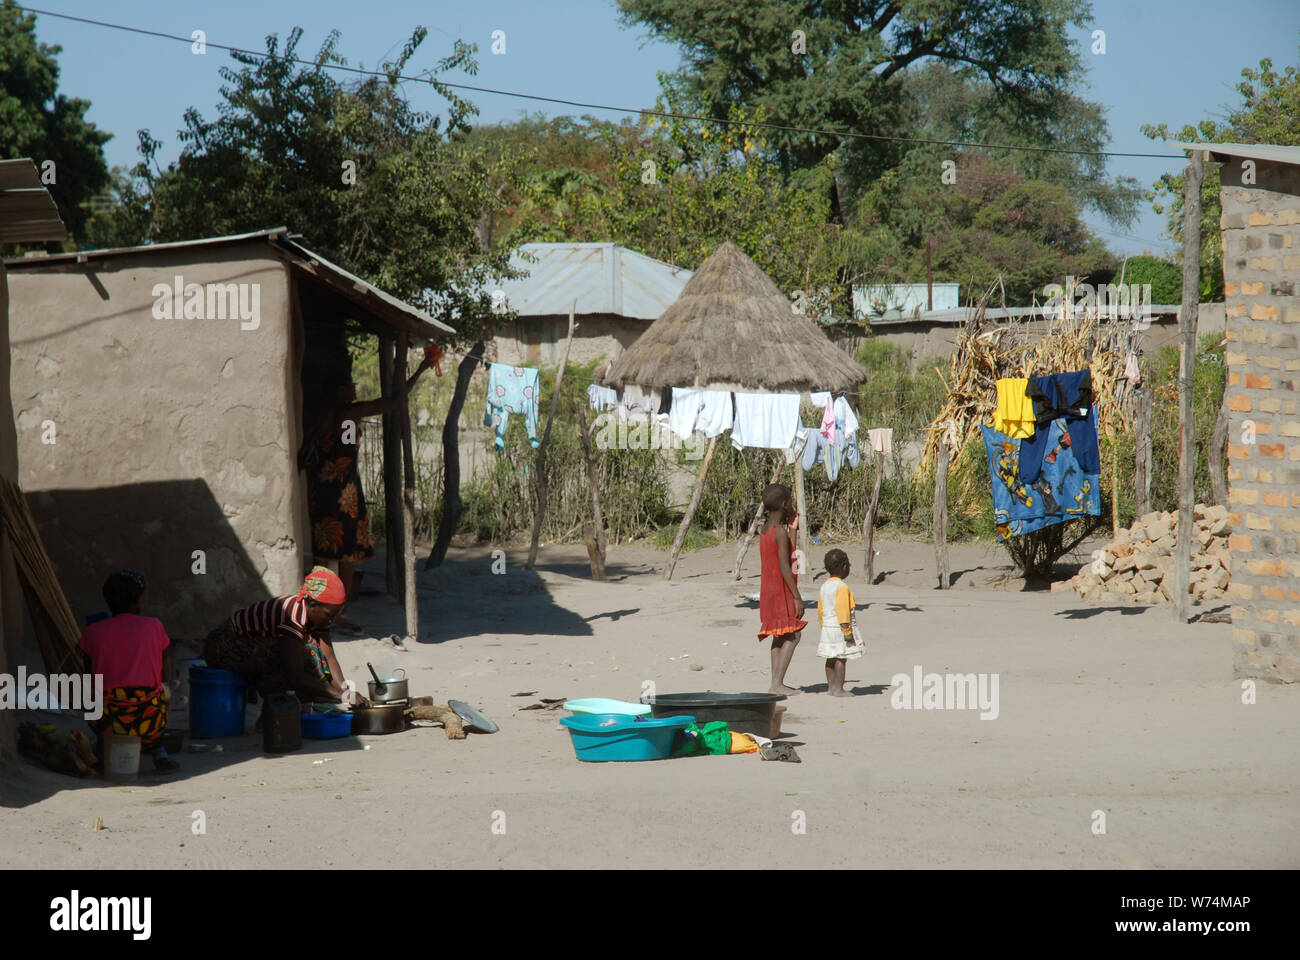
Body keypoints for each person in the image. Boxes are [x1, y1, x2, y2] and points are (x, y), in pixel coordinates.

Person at [301, 355, 435, 604]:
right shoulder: (352, 412)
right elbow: (394, 403)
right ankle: (340, 609)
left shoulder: (318, 415)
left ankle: (318, 604)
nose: (355, 388)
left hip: (320, 489)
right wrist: (420, 369)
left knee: (323, 550)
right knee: (349, 552)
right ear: (341, 391)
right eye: (351, 384)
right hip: (345, 493)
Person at [202, 567, 365, 709]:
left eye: (336, 616)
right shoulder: (291, 616)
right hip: (223, 648)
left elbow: (329, 657)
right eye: (330, 616)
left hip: (250, 647)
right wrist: (338, 695)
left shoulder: (317, 616)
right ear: (313, 605)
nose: (332, 621)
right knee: (295, 655)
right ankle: (272, 711)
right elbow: (296, 675)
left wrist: (346, 692)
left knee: (314, 656)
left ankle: (285, 705)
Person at [79, 570, 179, 773]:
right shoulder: (154, 626)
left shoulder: (92, 632)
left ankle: (104, 748)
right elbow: (165, 671)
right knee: (165, 691)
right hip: (149, 720)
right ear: (138, 601)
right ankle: (159, 752)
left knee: (93, 699)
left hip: (106, 721)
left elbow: (89, 676)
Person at [757, 483, 805, 694]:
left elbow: (787, 556)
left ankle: (775, 683)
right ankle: (777, 683)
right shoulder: (779, 533)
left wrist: (793, 530)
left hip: (768, 591)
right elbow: (787, 567)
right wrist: (797, 597)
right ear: (785, 504)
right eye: (790, 501)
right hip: (780, 590)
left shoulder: (766, 530)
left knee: (779, 635)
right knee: (794, 635)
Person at [817, 550, 862, 697]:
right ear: (844, 567)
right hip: (839, 627)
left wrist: (823, 626)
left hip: (827, 627)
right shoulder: (842, 587)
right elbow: (843, 611)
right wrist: (847, 632)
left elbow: (820, 609)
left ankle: (831, 687)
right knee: (841, 658)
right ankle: (839, 689)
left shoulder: (824, 586)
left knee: (830, 658)